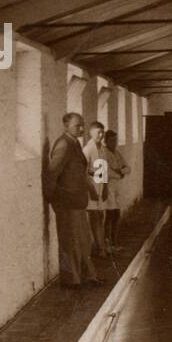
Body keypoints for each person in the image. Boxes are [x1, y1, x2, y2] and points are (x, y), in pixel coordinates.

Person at [43, 113, 102, 288]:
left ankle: (87, 277)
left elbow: (78, 172)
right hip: (66, 203)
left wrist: (90, 189)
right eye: (78, 126)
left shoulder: (74, 143)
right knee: (69, 242)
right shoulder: (63, 144)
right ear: (66, 126)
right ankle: (71, 280)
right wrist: (52, 198)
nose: (82, 129)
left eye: (83, 125)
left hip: (77, 201)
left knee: (82, 240)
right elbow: (52, 173)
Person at [84, 121, 110, 257]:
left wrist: (105, 188)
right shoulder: (87, 149)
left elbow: (104, 170)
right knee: (94, 217)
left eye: (102, 132)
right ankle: (100, 249)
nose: (101, 135)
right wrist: (92, 191)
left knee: (100, 216)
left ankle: (100, 246)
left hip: (100, 186)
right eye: (98, 132)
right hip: (91, 188)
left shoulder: (102, 149)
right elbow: (83, 173)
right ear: (91, 132)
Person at [102, 130, 130, 253]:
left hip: (117, 188)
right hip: (108, 188)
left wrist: (121, 171)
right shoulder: (104, 153)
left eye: (115, 140)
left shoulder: (117, 153)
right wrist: (119, 173)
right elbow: (105, 172)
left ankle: (114, 242)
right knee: (109, 216)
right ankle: (107, 244)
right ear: (105, 141)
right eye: (111, 141)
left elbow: (128, 168)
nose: (114, 143)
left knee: (117, 215)